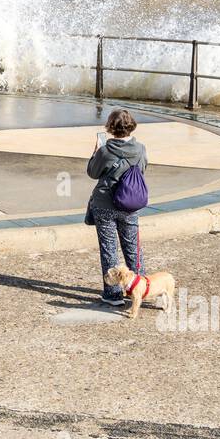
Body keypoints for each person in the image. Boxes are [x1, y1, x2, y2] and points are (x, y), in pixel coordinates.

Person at [85, 108, 148, 307]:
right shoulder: (141, 149)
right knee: (133, 248)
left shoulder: (105, 150)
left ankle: (113, 294)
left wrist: (95, 153)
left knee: (109, 249)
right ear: (131, 127)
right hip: (130, 204)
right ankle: (139, 288)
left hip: (104, 205)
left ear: (111, 128)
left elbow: (93, 173)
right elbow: (143, 169)